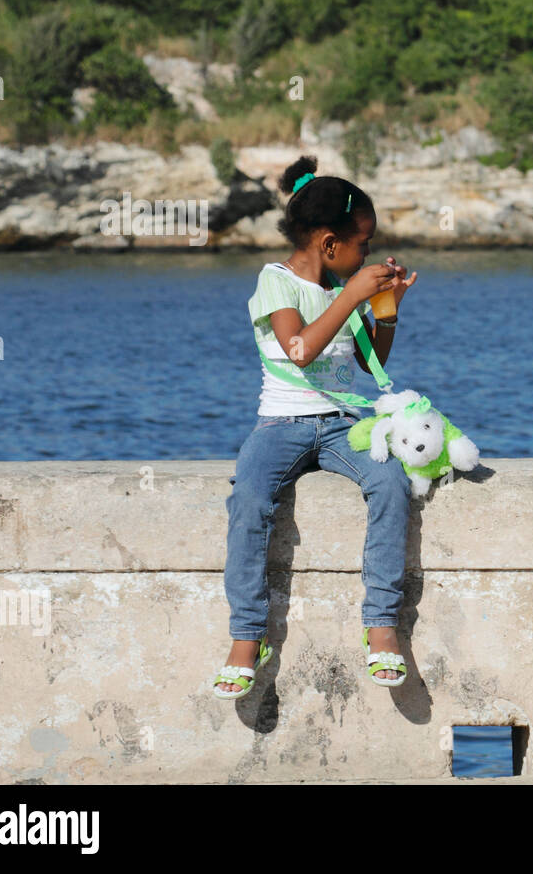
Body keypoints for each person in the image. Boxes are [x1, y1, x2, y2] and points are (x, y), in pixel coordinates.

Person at [212, 155, 419, 699]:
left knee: (391, 482)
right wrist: (352, 294)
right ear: (330, 244)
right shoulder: (275, 282)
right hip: (281, 422)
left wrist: (386, 309)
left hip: (342, 422)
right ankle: (245, 636)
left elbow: (371, 361)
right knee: (251, 498)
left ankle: (381, 626)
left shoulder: (341, 287)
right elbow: (299, 351)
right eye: (363, 244)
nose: (368, 253)